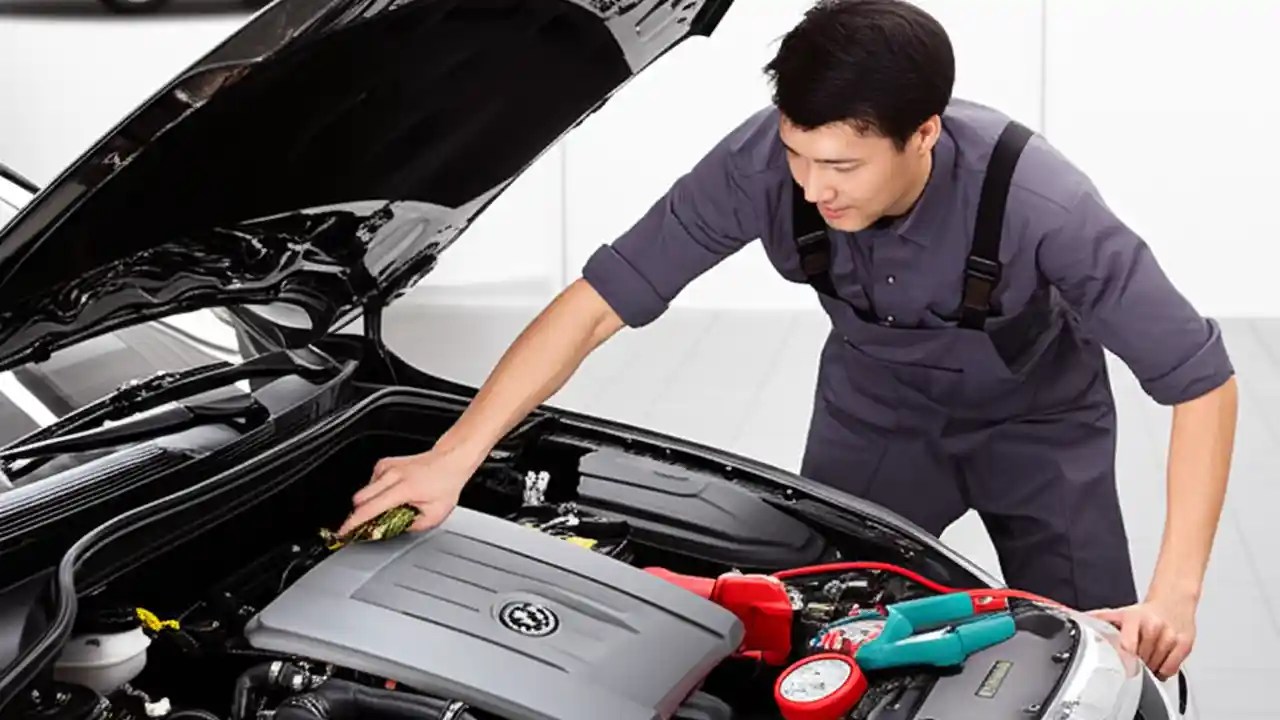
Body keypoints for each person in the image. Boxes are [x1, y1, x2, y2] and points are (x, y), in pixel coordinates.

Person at [338, 0, 1237, 681]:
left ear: (924, 132)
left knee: (1099, 658)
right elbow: (596, 303)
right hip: (875, 420)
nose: (811, 189)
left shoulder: (1046, 206)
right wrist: (454, 457)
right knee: (812, 632)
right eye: (798, 155)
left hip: (1042, 435)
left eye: (841, 166)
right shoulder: (761, 167)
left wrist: (1178, 593)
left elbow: (1200, 381)